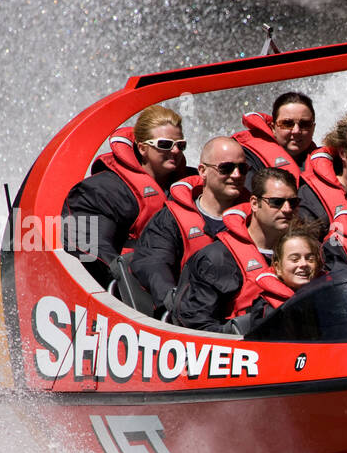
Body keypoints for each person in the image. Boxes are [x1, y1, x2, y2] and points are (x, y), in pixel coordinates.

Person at [61, 105, 191, 286]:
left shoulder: (196, 183)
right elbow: (89, 245)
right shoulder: (99, 191)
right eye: (165, 144)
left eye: (180, 145)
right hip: (137, 289)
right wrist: (131, 283)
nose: (176, 151)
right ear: (142, 148)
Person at [172, 167, 304, 333]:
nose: (287, 209)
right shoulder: (217, 259)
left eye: (293, 202)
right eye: (276, 202)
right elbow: (195, 326)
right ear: (255, 204)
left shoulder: (305, 255)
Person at [129, 136, 250, 312]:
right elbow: (153, 264)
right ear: (202, 171)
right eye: (226, 168)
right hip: (193, 316)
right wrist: (176, 303)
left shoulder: (258, 215)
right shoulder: (169, 220)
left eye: (243, 168)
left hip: (248, 316)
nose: (237, 175)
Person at [233, 91, 317, 180]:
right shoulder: (248, 160)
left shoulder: (330, 163)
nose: (296, 131)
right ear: (273, 128)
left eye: (305, 124)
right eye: (287, 124)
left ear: (313, 128)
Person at [273, 228, 324, 294]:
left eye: (310, 259)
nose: (304, 264)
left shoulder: (333, 294)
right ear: (278, 268)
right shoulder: (264, 303)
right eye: (295, 259)